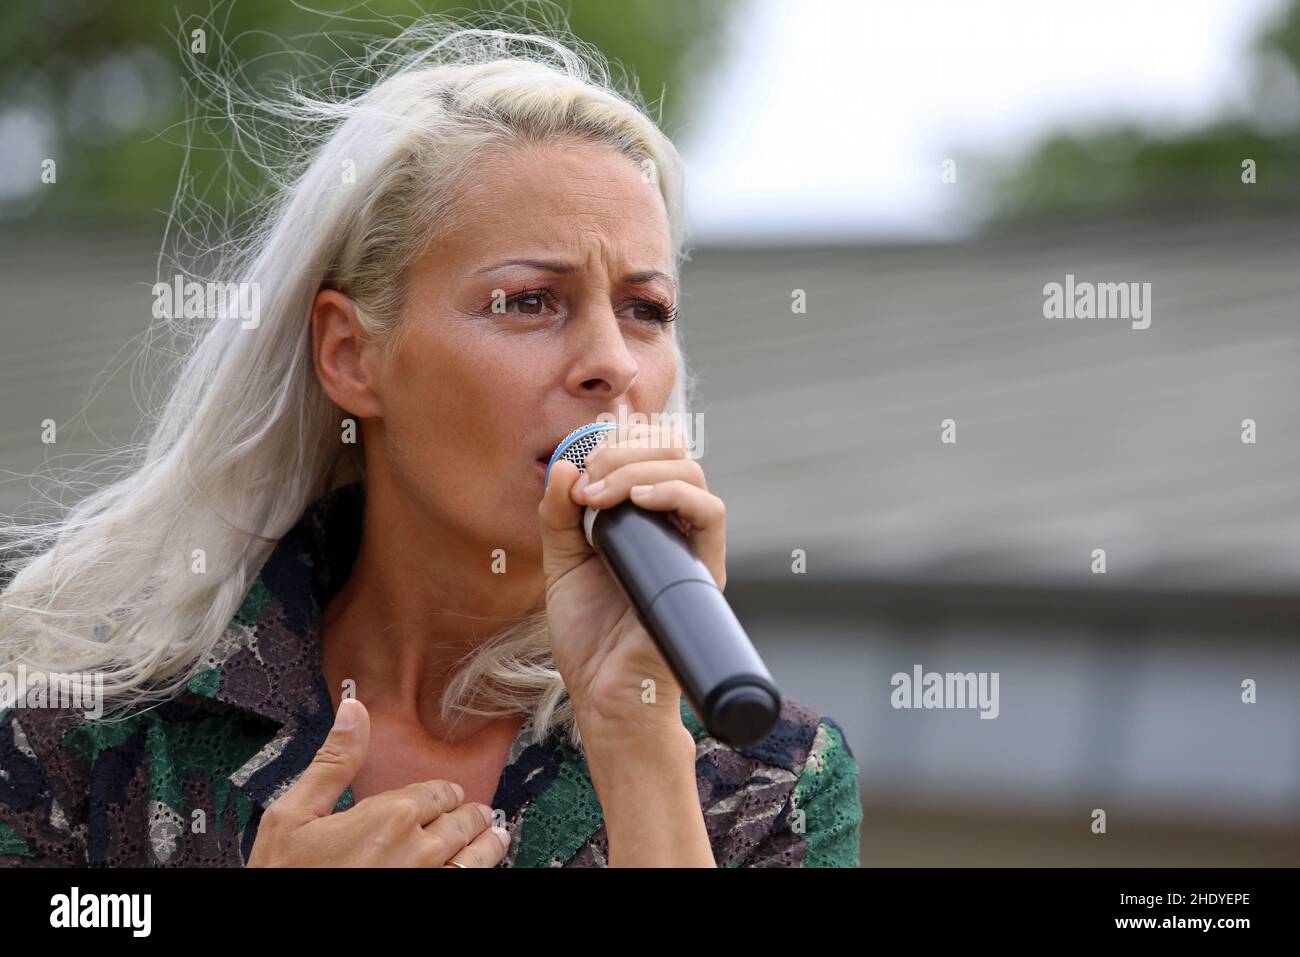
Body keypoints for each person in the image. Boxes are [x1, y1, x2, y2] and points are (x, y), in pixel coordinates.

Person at [0, 16, 862, 867]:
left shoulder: (770, 778)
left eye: (646, 309)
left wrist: (639, 741)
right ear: (351, 354)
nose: (610, 362)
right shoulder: (81, 732)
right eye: (528, 300)